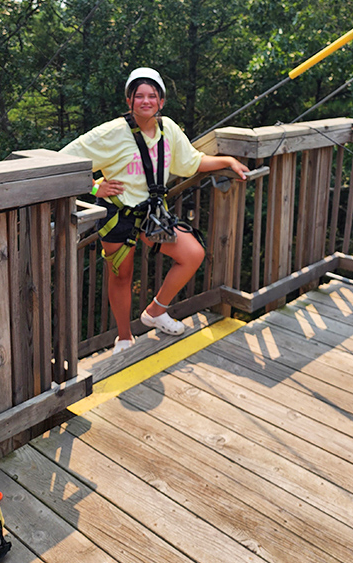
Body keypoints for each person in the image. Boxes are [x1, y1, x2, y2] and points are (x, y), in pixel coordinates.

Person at [60, 67, 248, 354]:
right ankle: (124, 337)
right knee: (121, 275)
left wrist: (227, 161)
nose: (145, 101)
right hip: (118, 215)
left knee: (192, 253)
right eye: (139, 96)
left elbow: (191, 161)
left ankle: (155, 311)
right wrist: (96, 187)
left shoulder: (168, 129)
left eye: (152, 96)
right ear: (129, 101)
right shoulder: (110, 133)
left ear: (161, 102)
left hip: (151, 216)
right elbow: (65, 162)